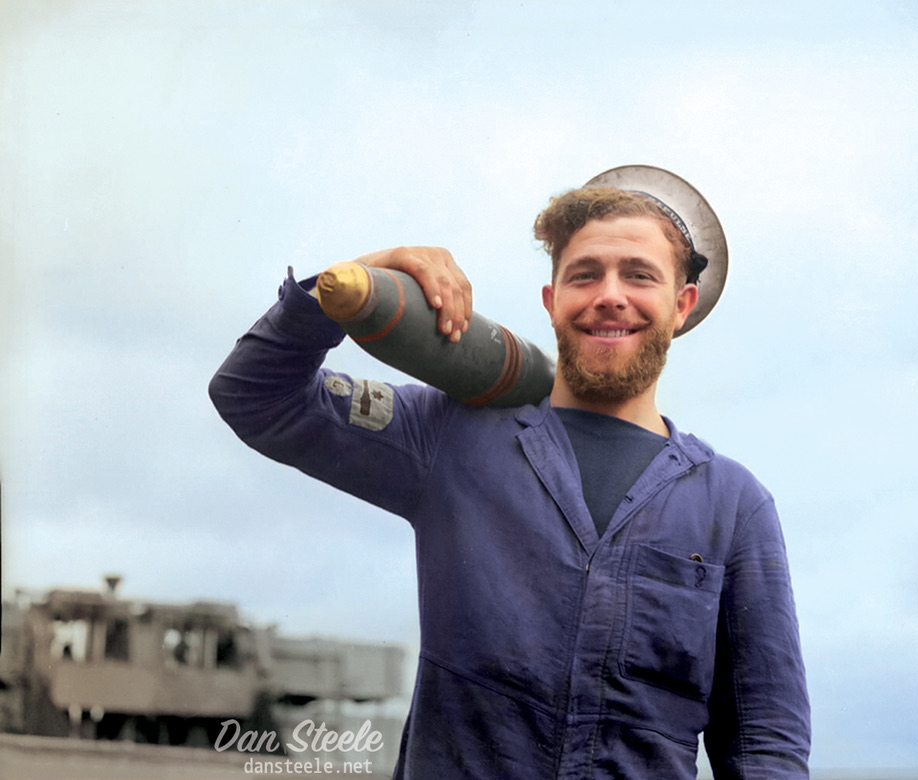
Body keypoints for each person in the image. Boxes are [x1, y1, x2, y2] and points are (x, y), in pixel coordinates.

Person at [209, 175, 812, 778]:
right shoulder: (449, 433)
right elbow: (256, 395)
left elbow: (766, 745)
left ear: (681, 305)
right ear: (551, 301)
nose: (609, 295)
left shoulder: (733, 507)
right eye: (585, 275)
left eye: (638, 274)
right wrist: (355, 274)